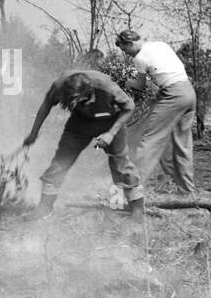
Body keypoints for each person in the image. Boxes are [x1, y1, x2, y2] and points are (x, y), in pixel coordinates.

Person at [23, 67, 145, 221]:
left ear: (89, 92)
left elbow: (129, 107)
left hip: (111, 118)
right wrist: (34, 132)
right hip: (81, 122)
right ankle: (44, 208)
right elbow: (46, 105)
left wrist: (110, 134)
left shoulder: (105, 86)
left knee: (120, 163)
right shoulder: (59, 87)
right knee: (61, 162)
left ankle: (137, 210)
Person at [114, 30, 197, 194]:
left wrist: (126, 83)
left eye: (125, 50)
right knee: (183, 146)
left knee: (149, 141)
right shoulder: (161, 45)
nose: (126, 54)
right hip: (189, 93)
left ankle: (132, 189)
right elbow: (171, 72)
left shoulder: (139, 58)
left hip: (173, 96)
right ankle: (188, 192)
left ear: (129, 43)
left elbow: (140, 85)